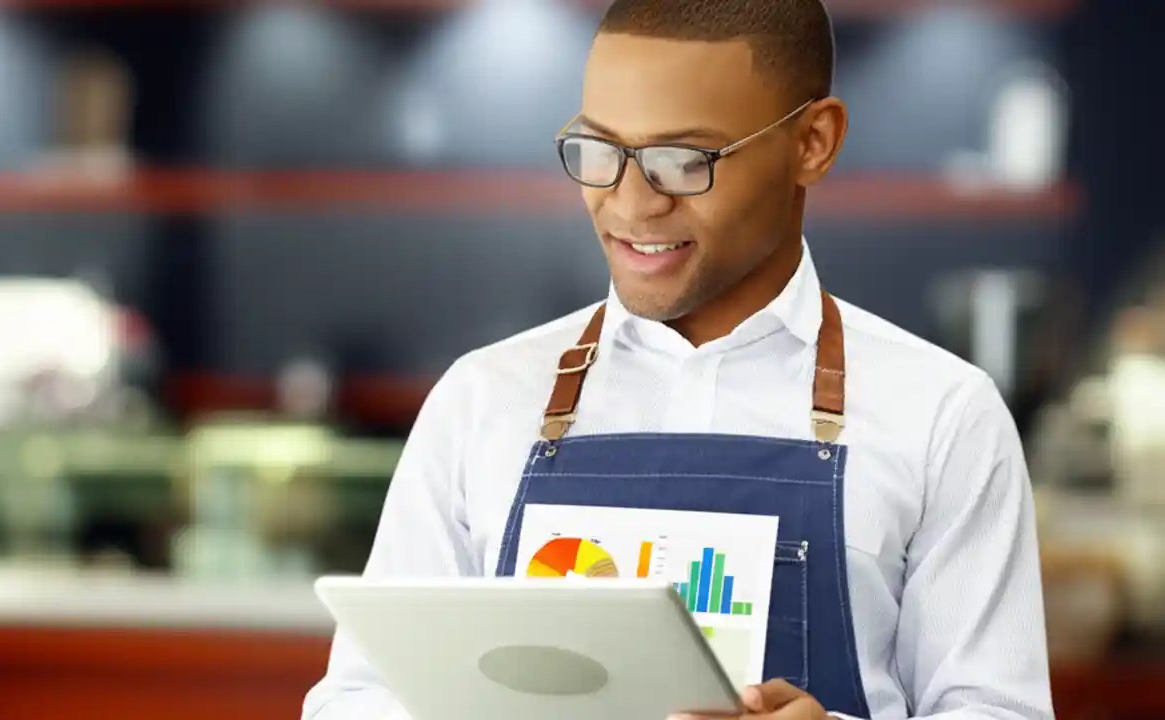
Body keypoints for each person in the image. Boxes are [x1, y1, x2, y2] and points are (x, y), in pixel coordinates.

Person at [303, 0, 1053, 718]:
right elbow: (355, 699)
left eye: (683, 160)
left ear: (813, 142)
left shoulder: (943, 418)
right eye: (600, 151)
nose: (632, 204)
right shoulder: (481, 401)